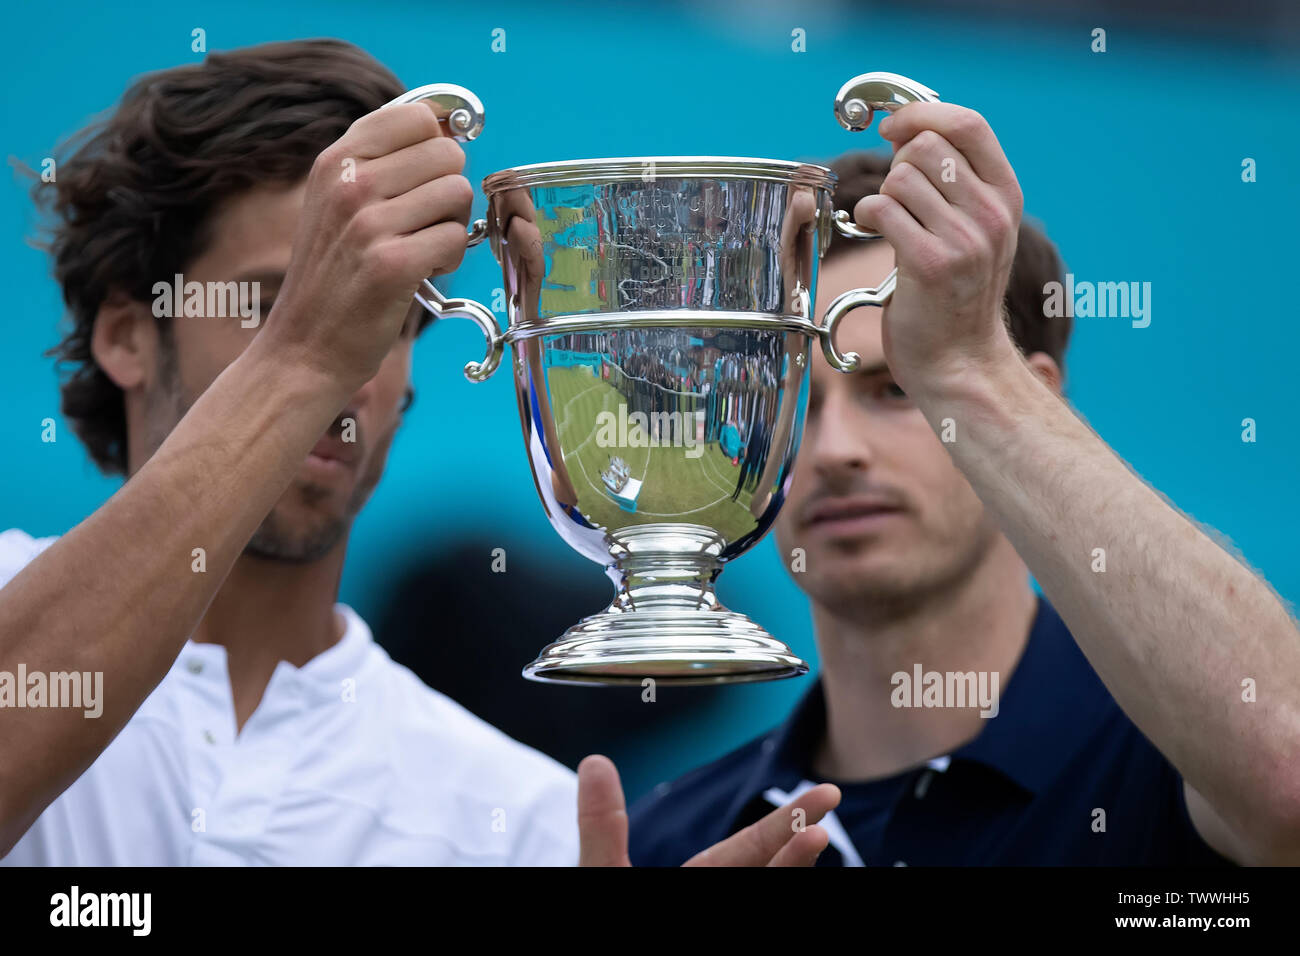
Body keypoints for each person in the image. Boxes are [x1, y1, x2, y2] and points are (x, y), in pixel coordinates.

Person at [0, 39, 838, 866]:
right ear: (126, 336)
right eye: (273, 303)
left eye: (386, 317)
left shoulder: (527, 823)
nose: (349, 365)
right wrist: (302, 356)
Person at [628, 137, 1300, 865]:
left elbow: (1287, 776)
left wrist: (966, 368)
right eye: (785, 402)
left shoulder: (1174, 766)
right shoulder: (671, 841)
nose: (835, 450)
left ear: (1031, 402)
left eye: (896, 390)